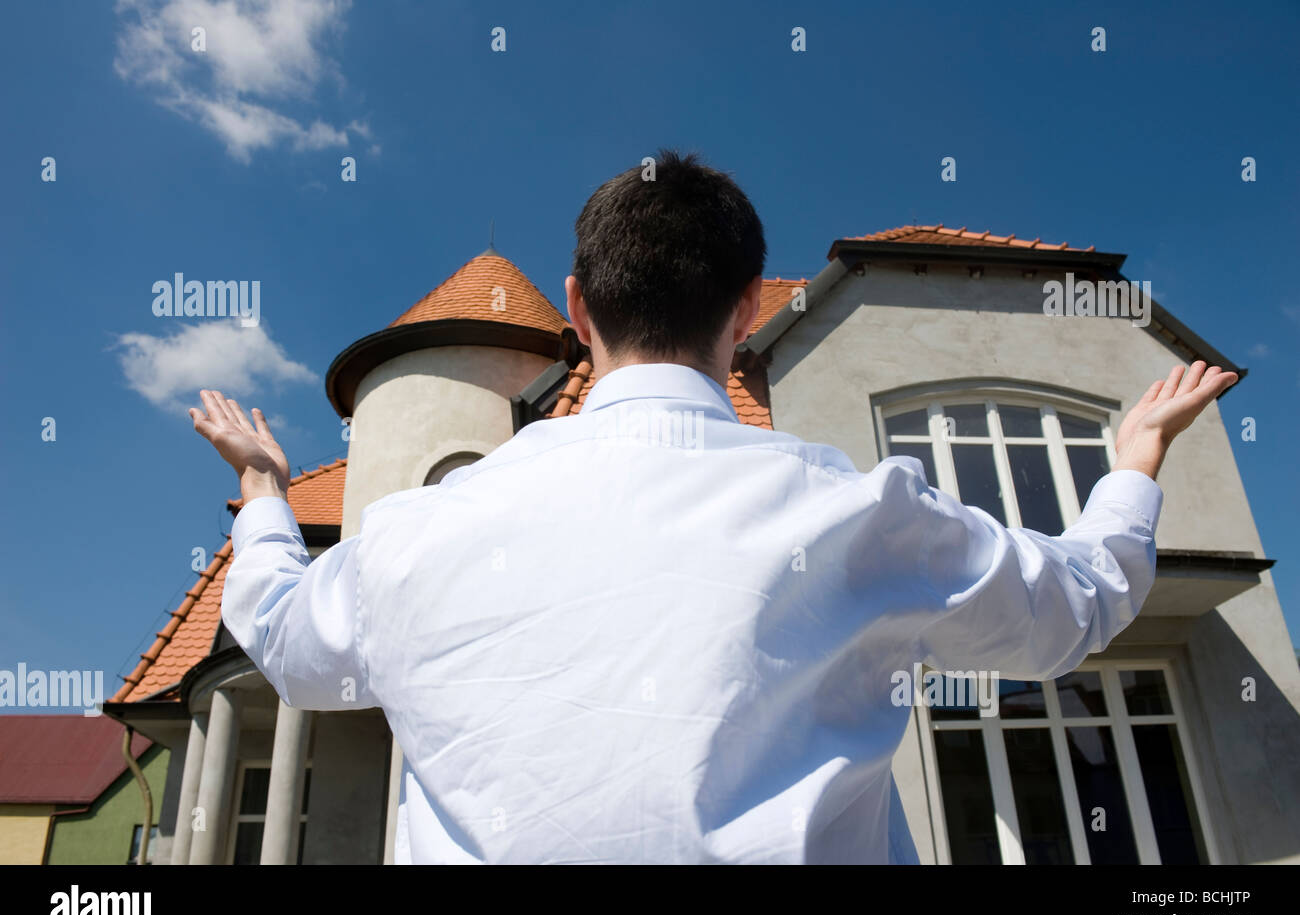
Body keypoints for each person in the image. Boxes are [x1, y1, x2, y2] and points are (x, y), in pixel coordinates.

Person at [191, 150, 1237, 863]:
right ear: (748, 309)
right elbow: (1077, 608)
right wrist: (1131, 464)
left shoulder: (419, 532)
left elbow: (281, 632)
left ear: (577, 309)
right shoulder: (858, 510)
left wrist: (263, 491)